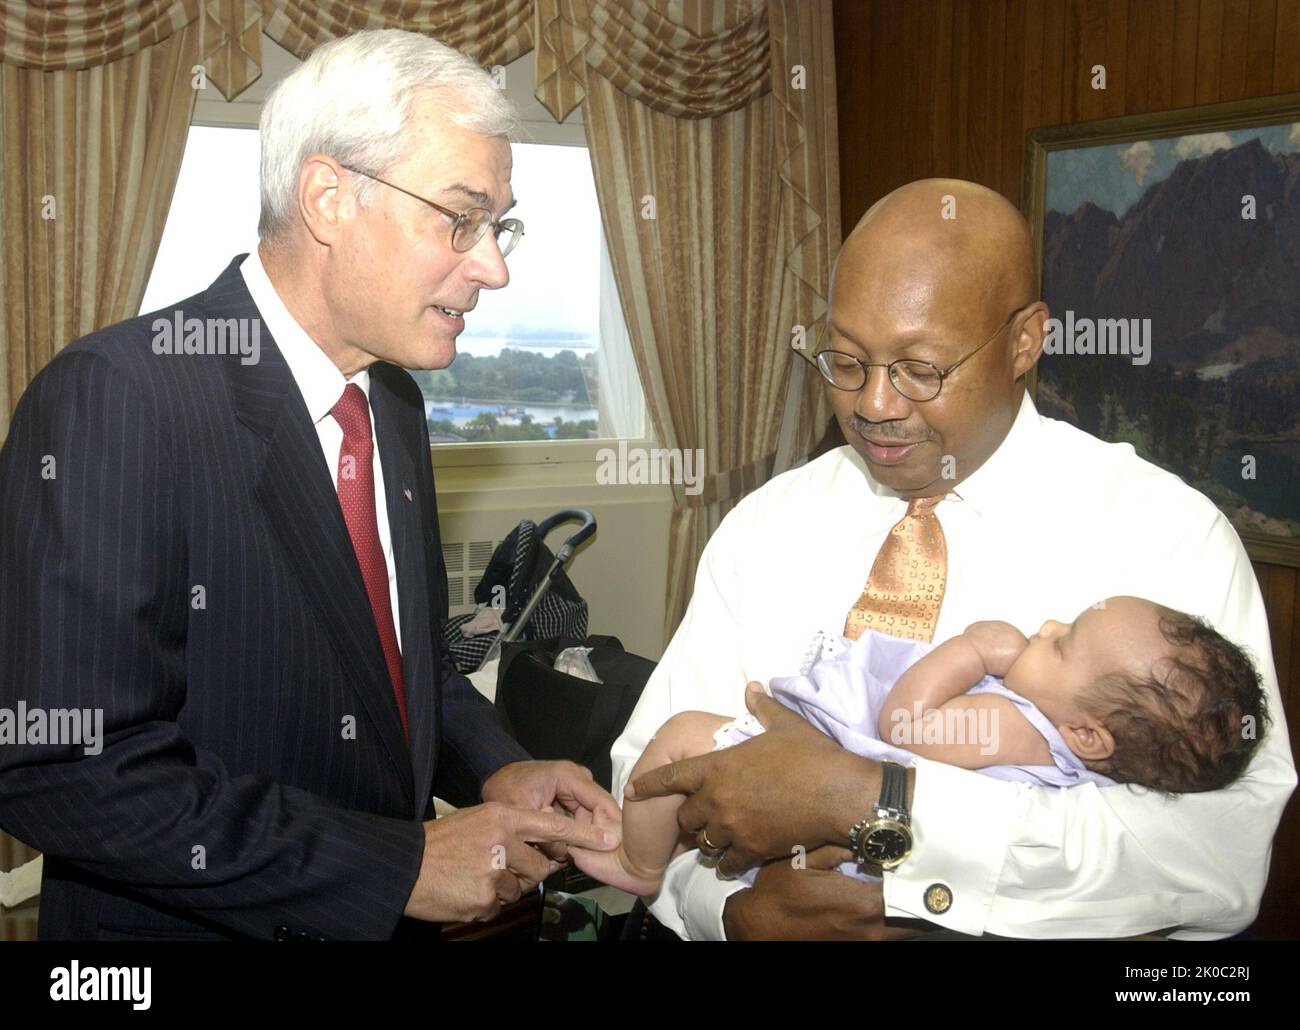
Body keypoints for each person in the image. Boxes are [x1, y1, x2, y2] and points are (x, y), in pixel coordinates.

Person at [0, 29, 619, 941]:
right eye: (460, 217)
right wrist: (399, 865)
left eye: (500, 224)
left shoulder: (393, 403)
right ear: (328, 197)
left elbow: (396, 664)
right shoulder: (120, 399)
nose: (494, 266)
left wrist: (496, 765)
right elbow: (62, 768)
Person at [612, 178, 1297, 941]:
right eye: (846, 359)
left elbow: (1213, 862)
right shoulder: (767, 525)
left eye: (920, 368)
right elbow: (649, 768)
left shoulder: (1167, 538)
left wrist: (884, 808)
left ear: (1024, 342)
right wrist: (726, 914)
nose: (872, 404)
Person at [578, 597, 1267, 896]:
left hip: (825, 780)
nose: (1048, 623)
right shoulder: (1064, 742)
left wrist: (971, 650)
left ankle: (638, 862)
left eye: (1063, 644)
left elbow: (903, 726)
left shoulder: (1015, 725)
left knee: (682, 738)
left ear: (1087, 735)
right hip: (835, 797)